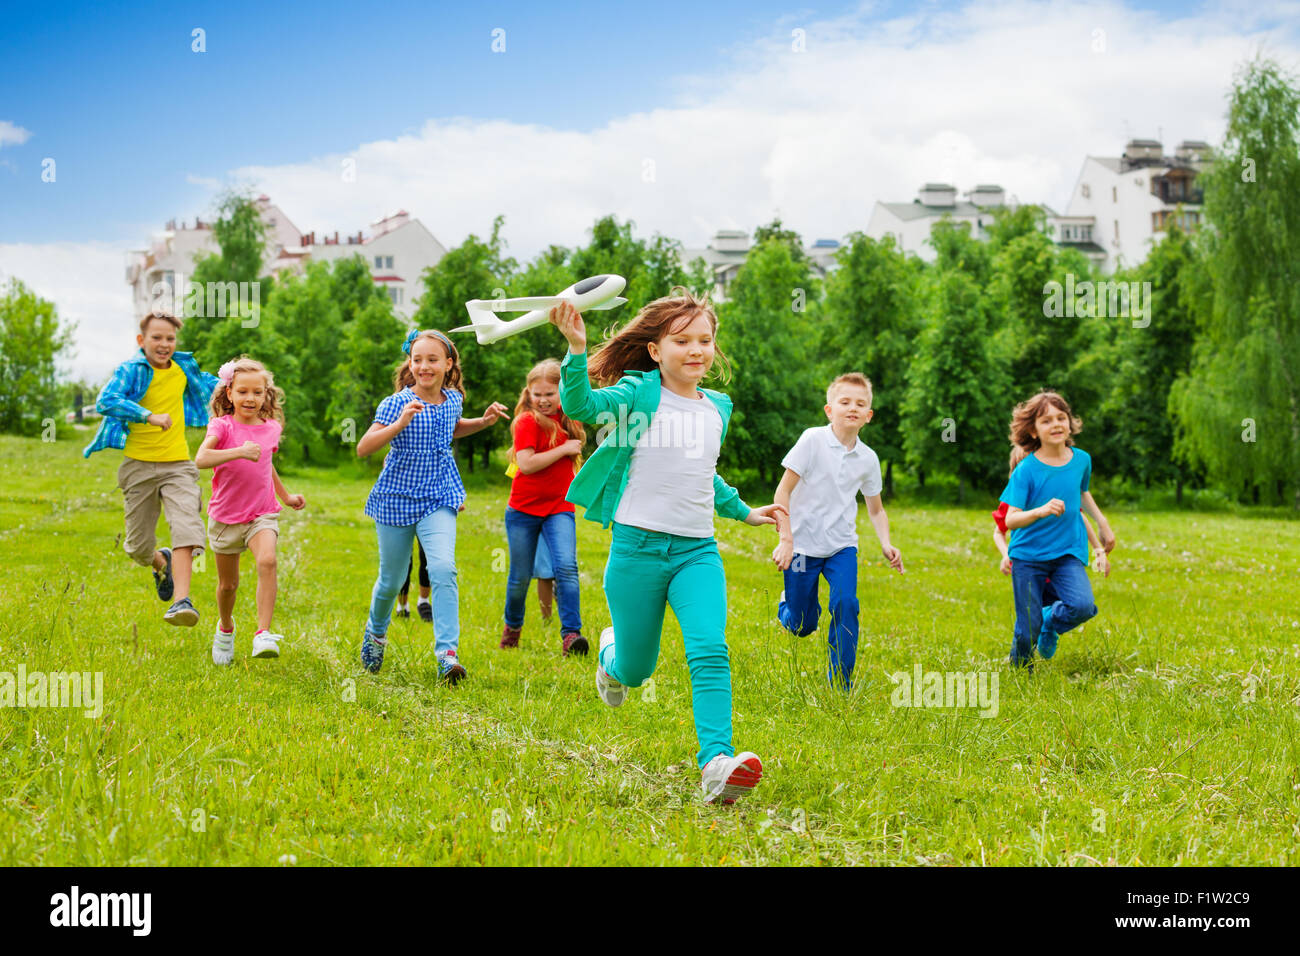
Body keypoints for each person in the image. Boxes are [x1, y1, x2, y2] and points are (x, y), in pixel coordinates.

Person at [551, 289, 786, 805]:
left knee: (710, 648)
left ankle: (716, 763)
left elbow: (706, 476)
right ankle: (612, 656)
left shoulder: (717, 408)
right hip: (636, 550)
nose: (696, 350)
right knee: (638, 669)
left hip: (696, 552)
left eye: (705, 340)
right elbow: (581, 406)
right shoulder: (639, 394)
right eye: (682, 341)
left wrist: (746, 511)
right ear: (656, 350)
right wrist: (574, 349)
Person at [355, 328, 508, 683]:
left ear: (448, 364)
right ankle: (376, 634)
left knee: (443, 568)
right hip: (395, 499)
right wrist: (400, 423)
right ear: (410, 363)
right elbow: (364, 447)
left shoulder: (453, 399)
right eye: (418, 359)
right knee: (391, 581)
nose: (424, 366)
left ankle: (447, 653)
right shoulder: (396, 403)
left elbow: (449, 429)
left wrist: (482, 422)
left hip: (439, 496)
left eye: (432, 359)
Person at [770, 373, 904, 690]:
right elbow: (782, 493)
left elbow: (876, 508)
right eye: (845, 402)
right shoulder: (812, 441)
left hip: (841, 547)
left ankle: (840, 683)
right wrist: (786, 540)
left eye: (860, 404)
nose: (852, 408)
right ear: (830, 409)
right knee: (803, 625)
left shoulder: (868, 459)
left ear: (868, 416)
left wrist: (886, 543)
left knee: (846, 604)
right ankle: (787, 605)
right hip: (802, 547)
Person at [83, 312, 218, 626]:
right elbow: (106, 400)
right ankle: (161, 562)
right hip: (138, 467)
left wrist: (240, 378)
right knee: (138, 548)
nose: (164, 344)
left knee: (187, 525)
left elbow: (218, 386)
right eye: (156, 338)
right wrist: (147, 415)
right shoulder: (131, 370)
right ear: (141, 341)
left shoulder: (184, 368)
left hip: (178, 465)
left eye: (170, 338)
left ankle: (181, 601)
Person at [194, 357, 305, 664]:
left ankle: (263, 633)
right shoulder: (222, 425)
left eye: (257, 392)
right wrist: (239, 451)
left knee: (268, 560)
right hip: (225, 516)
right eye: (243, 391)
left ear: (265, 395)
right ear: (229, 393)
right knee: (228, 586)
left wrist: (286, 497)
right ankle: (226, 627)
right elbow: (201, 459)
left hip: (261, 513)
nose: (250, 398)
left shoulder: (271, 428)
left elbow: (266, 467)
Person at [999, 391, 1116, 667]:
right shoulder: (1026, 470)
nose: (1056, 424)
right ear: (1033, 430)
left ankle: (1050, 621)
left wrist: (1103, 525)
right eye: (1047, 420)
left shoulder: (1082, 460)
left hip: (1067, 553)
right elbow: (1010, 521)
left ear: (1070, 422)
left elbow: (1083, 493)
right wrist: (1040, 511)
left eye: (1061, 418)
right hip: (1028, 556)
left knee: (1083, 606)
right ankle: (1020, 673)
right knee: (1027, 627)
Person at [500, 359, 586, 654]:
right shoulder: (527, 421)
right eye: (537, 394)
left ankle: (571, 635)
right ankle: (512, 627)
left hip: (560, 507)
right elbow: (526, 463)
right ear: (529, 393)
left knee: (566, 567)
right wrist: (563, 448)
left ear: (561, 391)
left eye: (550, 394)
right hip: (523, 510)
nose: (543, 400)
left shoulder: (570, 417)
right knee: (520, 576)